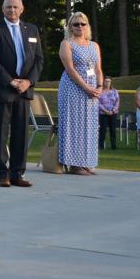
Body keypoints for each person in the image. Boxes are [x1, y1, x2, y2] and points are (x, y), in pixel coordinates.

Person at [0, 0, 44, 188]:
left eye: (16, 7)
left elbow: (39, 60)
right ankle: (2, 173)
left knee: (21, 133)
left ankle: (17, 173)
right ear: (3, 9)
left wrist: (28, 81)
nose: (12, 10)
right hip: (2, 90)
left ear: (22, 8)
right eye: (8, 7)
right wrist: (10, 81)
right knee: (0, 134)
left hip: (24, 91)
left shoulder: (32, 30)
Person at [57, 12, 102, 175]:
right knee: (74, 125)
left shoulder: (94, 45)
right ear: (70, 27)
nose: (80, 27)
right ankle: (74, 164)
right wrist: (86, 87)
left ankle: (87, 162)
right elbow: (70, 69)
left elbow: (98, 69)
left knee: (89, 126)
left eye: (83, 24)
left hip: (91, 91)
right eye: (76, 24)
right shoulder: (66, 44)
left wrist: (99, 86)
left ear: (87, 26)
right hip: (73, 88)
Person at [98, 77, 120, 150]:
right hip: (103, 113)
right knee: (102, 130)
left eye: (109, 81)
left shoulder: (114, 91)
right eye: (106, 81)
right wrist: (105, 111)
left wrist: (113, 110)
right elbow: (98, 102)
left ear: (111, 83)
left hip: (113, 113)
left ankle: (113, 146)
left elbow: (117, 102)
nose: (107, 83)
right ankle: (101, 146)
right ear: (103, 82)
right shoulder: (100, 91)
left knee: (113, 130)